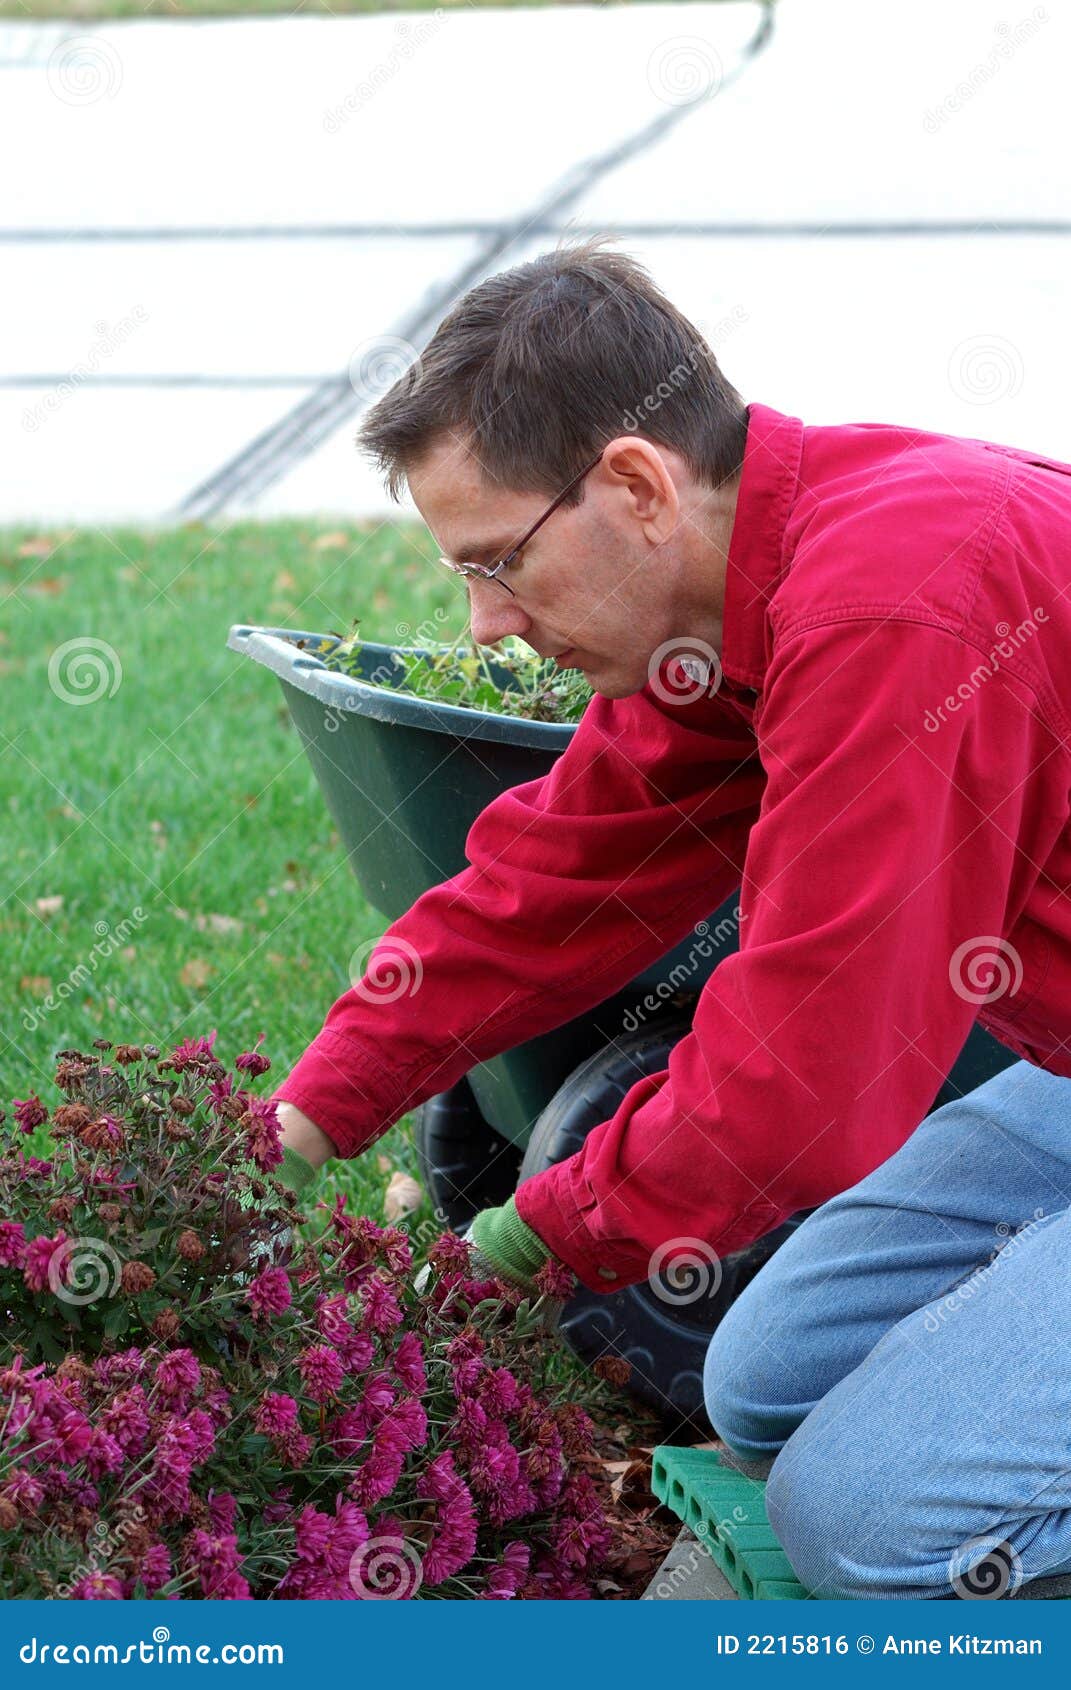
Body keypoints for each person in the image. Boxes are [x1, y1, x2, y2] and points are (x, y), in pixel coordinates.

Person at [269, 236, 1071, 1598]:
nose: (487, 621)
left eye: (501, 563)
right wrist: (292, 1124)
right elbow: (549, 884)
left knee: (862, 1520)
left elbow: (808, 1084)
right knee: (760, 1380)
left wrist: (528, 1237)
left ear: (637, 484)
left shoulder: (895, 608)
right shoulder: (742, 590)